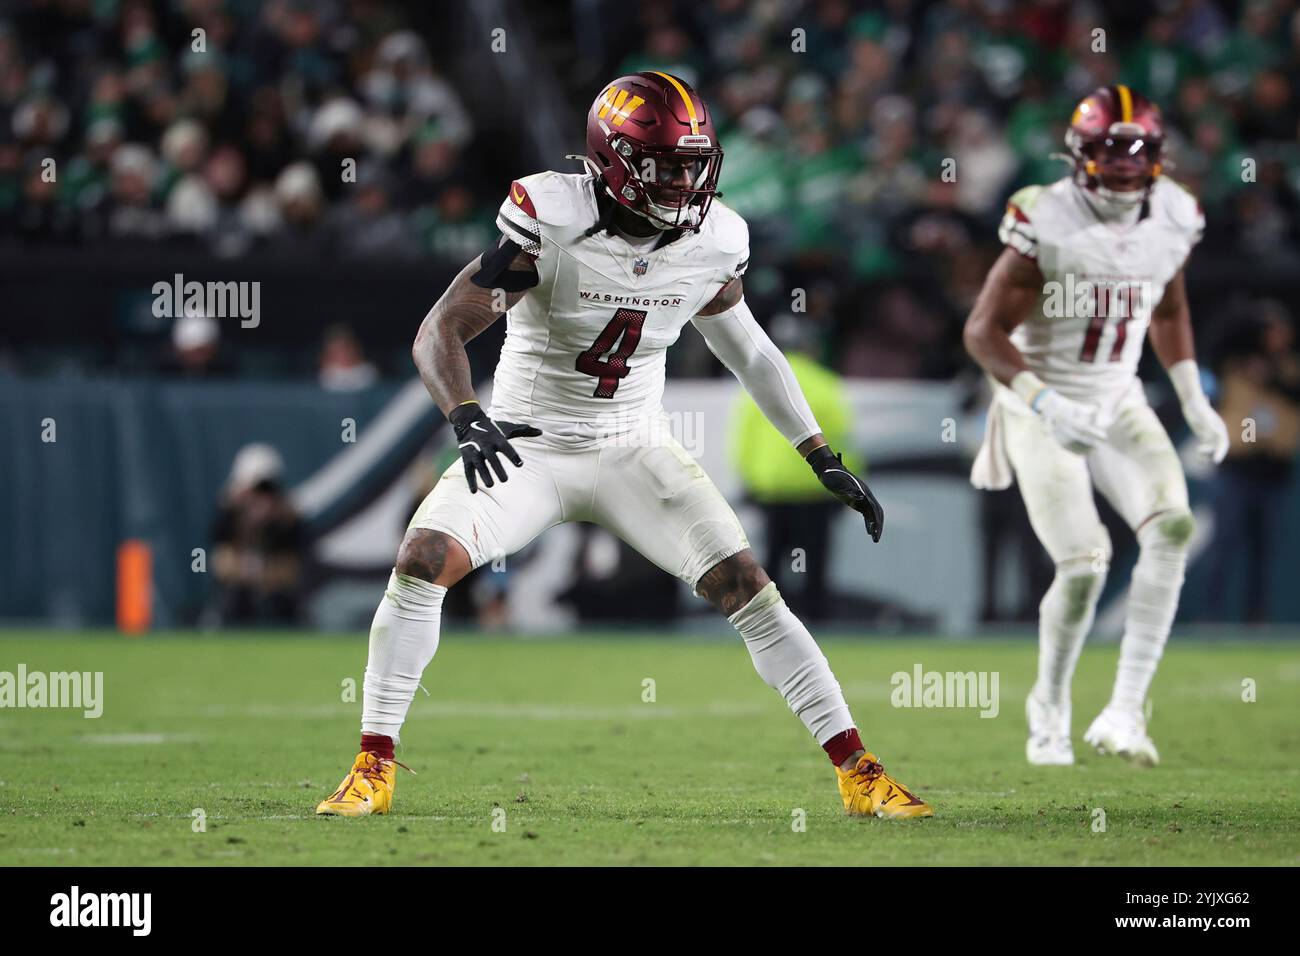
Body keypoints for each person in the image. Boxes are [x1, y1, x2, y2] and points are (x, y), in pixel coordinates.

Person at [316, 72, 931, 820]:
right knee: (419, 562)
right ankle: (371, 767)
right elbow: (441, 328)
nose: (682, 180)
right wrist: (465, 415)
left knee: (750, 589)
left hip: (633, 448)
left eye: (692, 164)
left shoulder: (716, 238)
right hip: (526, 447)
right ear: (612, 160)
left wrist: (818, 453)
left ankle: (859, 771)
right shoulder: (551, 216)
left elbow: (752, 351)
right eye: (665, 164)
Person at [964, 86, 1229, 767]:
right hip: (1039, 402)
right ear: (1079, 155)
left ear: (1159, 157)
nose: (1122, 166)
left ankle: (1125, 710)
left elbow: (1167, 307)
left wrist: (1191, 395)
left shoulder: (1175, 213)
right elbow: (983, 331)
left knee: (1172, 525)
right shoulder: (1044, 217)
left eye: (1136, 151)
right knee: (1083, 567)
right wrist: (1047, 404)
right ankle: (1049, 708)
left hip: (1117, 398)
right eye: (1108, 151)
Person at [730, 314, 850, 620]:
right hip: (815, 490)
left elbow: (745, 438)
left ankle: (773, 623)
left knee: (772, 562)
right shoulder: (826, 384)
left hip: (773, 490)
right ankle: (817, 623)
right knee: (816, 566)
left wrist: (749, 479)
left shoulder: (756, 382)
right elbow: (840, 438)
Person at [1205, 302, 1300, 621]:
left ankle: (1255, 618)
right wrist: (1250, 314)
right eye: (1271, 331)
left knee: (1263, 552)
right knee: (1225, 546)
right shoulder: (1234, 364)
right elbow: (1211, 340)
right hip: (1237, 465)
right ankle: (1211, 618)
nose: (1278, 337)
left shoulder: (1289, 368)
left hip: (1274, 469)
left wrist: (1271, 377)